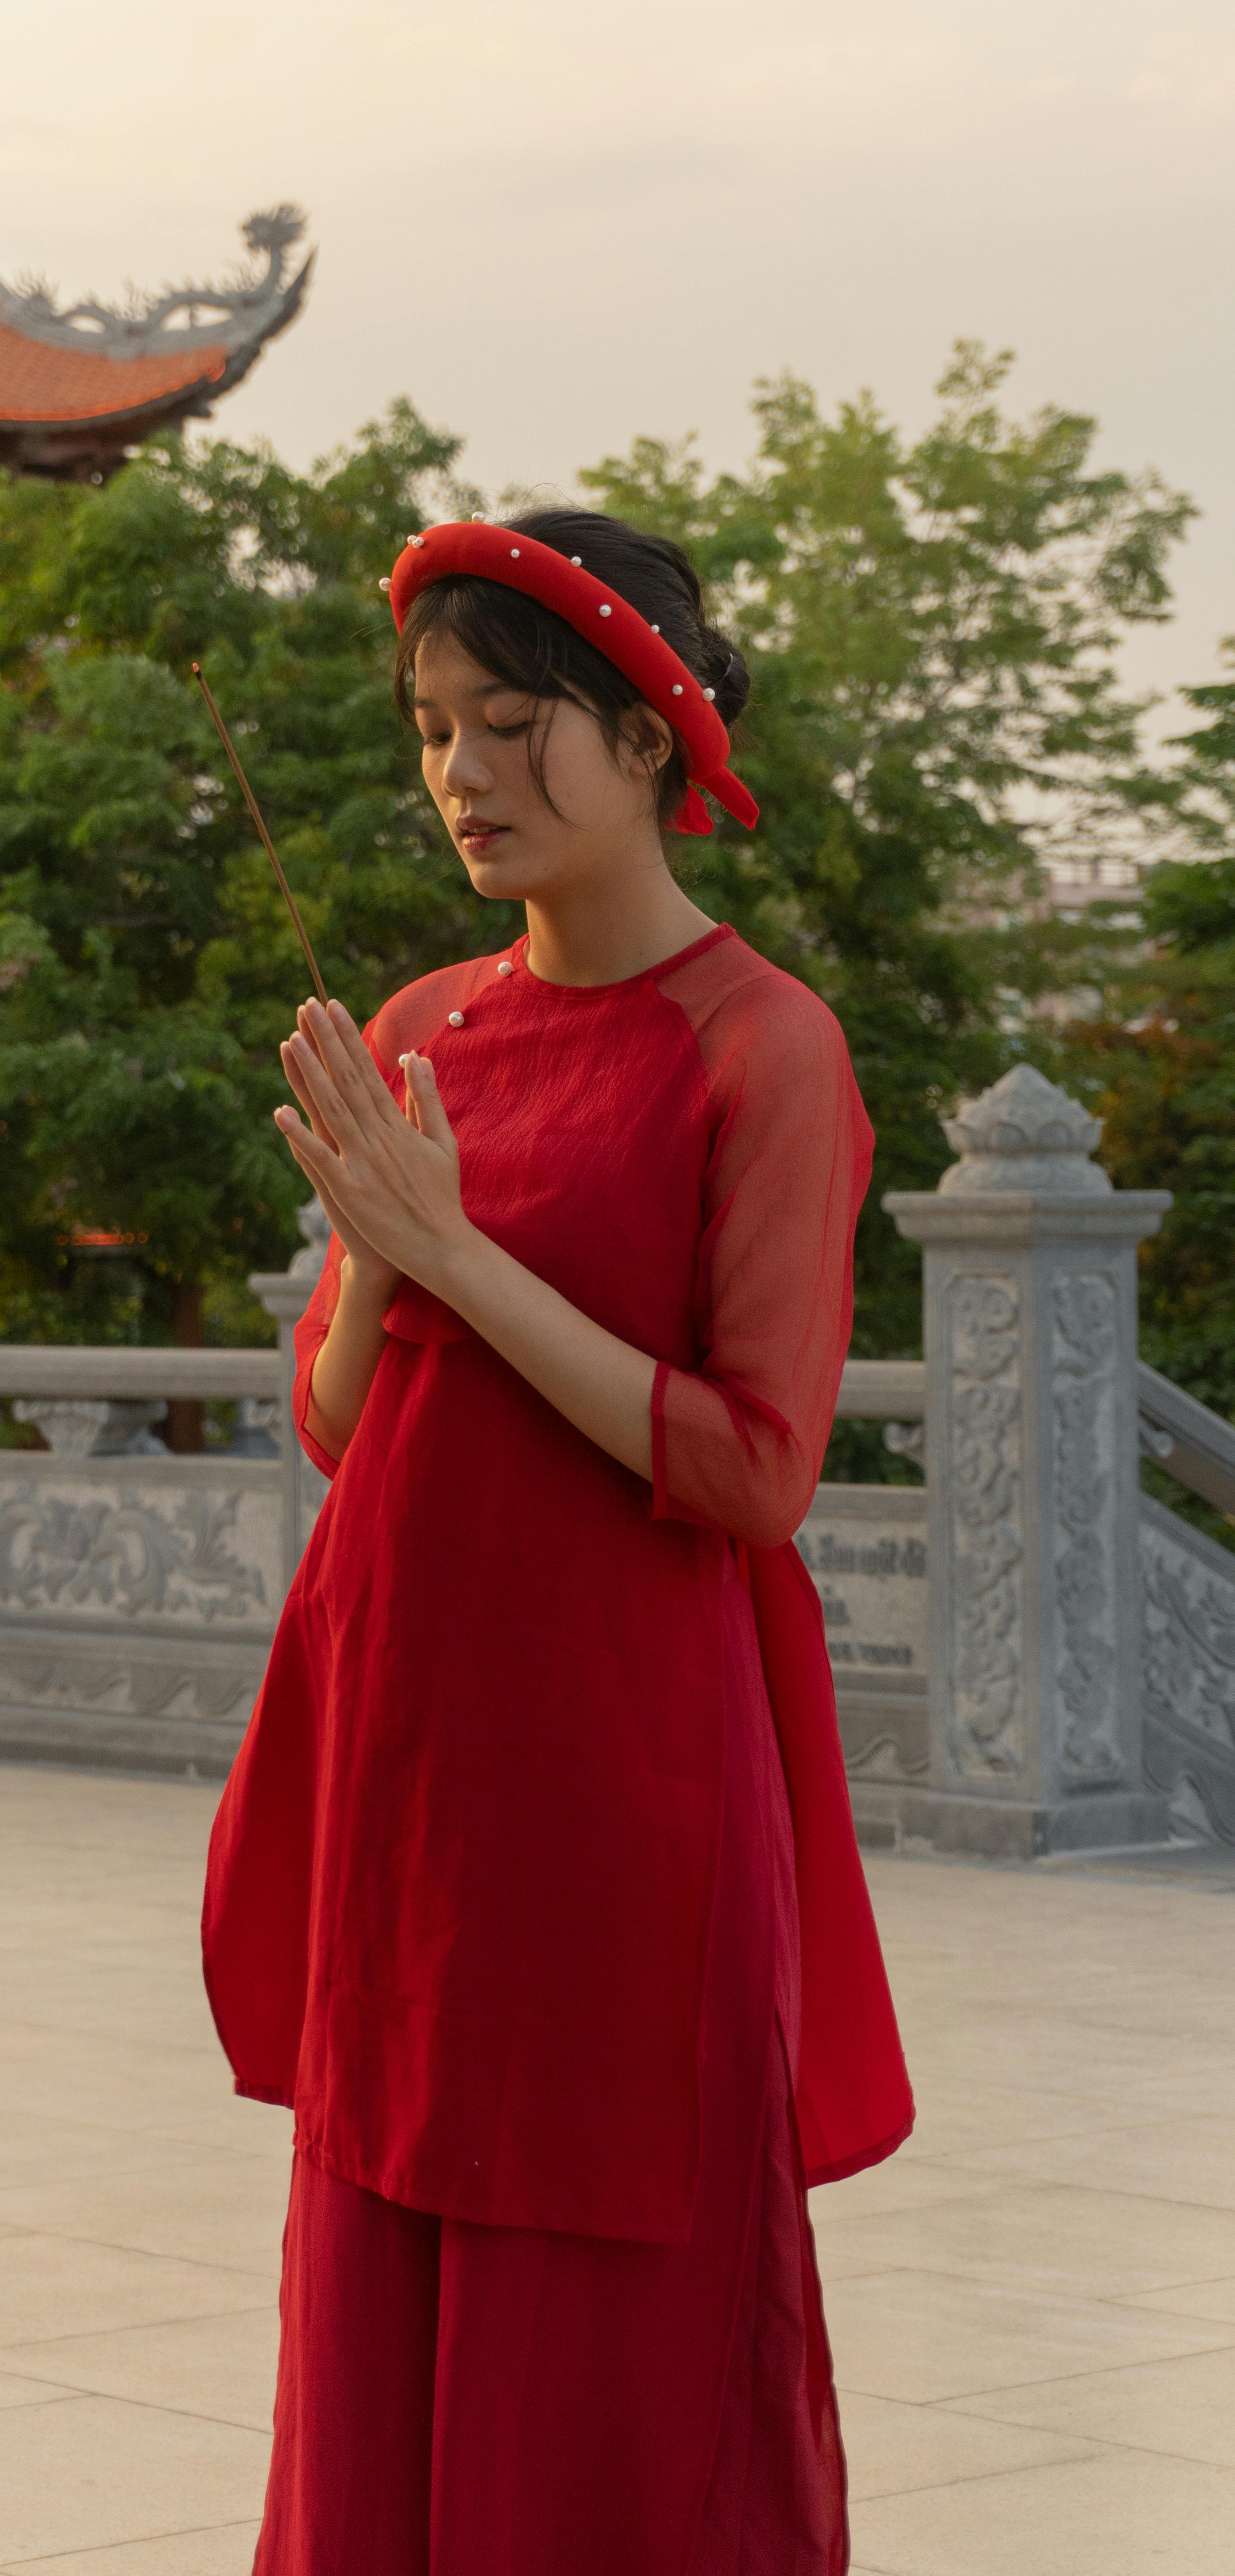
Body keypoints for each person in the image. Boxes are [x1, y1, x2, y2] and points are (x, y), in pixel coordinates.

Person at [202, 508, 913, 2576]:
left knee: (603, 2341)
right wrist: (376, 1253)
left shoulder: (762, 1045)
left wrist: (453, 1254)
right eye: (434, 727)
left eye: (514, 724)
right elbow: (342, 1425)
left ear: (650, 736)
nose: (462, 773)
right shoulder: (419, 1026)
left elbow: (757, 1469)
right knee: (377, 2274)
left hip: (627, 1781)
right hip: (409, 1759)